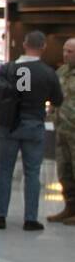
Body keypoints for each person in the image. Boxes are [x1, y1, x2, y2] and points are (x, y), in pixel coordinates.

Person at [0, 30, 64, 231]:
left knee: (4, 171)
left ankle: (1, 217)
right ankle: (30, 218)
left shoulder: (8, 68)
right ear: (43, 47)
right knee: (32, 173)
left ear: (24, 44)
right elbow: (58, 100)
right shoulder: (48, 72)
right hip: (33, 126)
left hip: (8, 126)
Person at [49, 38, 75, 224]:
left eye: (70, 52)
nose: (65, 54)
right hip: (61, 129)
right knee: (63, 170)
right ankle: (69, 207)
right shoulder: (61, 72)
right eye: (65, 50)